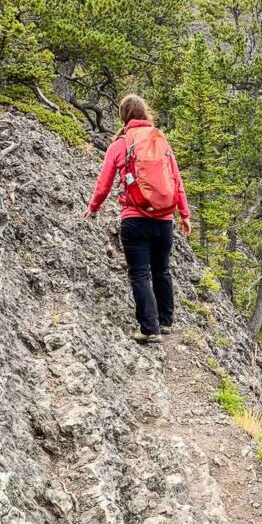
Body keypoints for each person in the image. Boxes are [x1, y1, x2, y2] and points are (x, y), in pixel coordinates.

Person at [84, 95, 192, 344]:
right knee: (162, 269)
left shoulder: (119, 145)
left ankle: (149, 329)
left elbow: (104, 184)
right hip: (164, 220)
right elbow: (176, 180)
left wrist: (93, 207)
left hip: (134, 220)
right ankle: (165, 321)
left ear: (123, 116)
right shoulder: (159, 140)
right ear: (145, 113)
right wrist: (184, 214)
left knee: (140, 274)